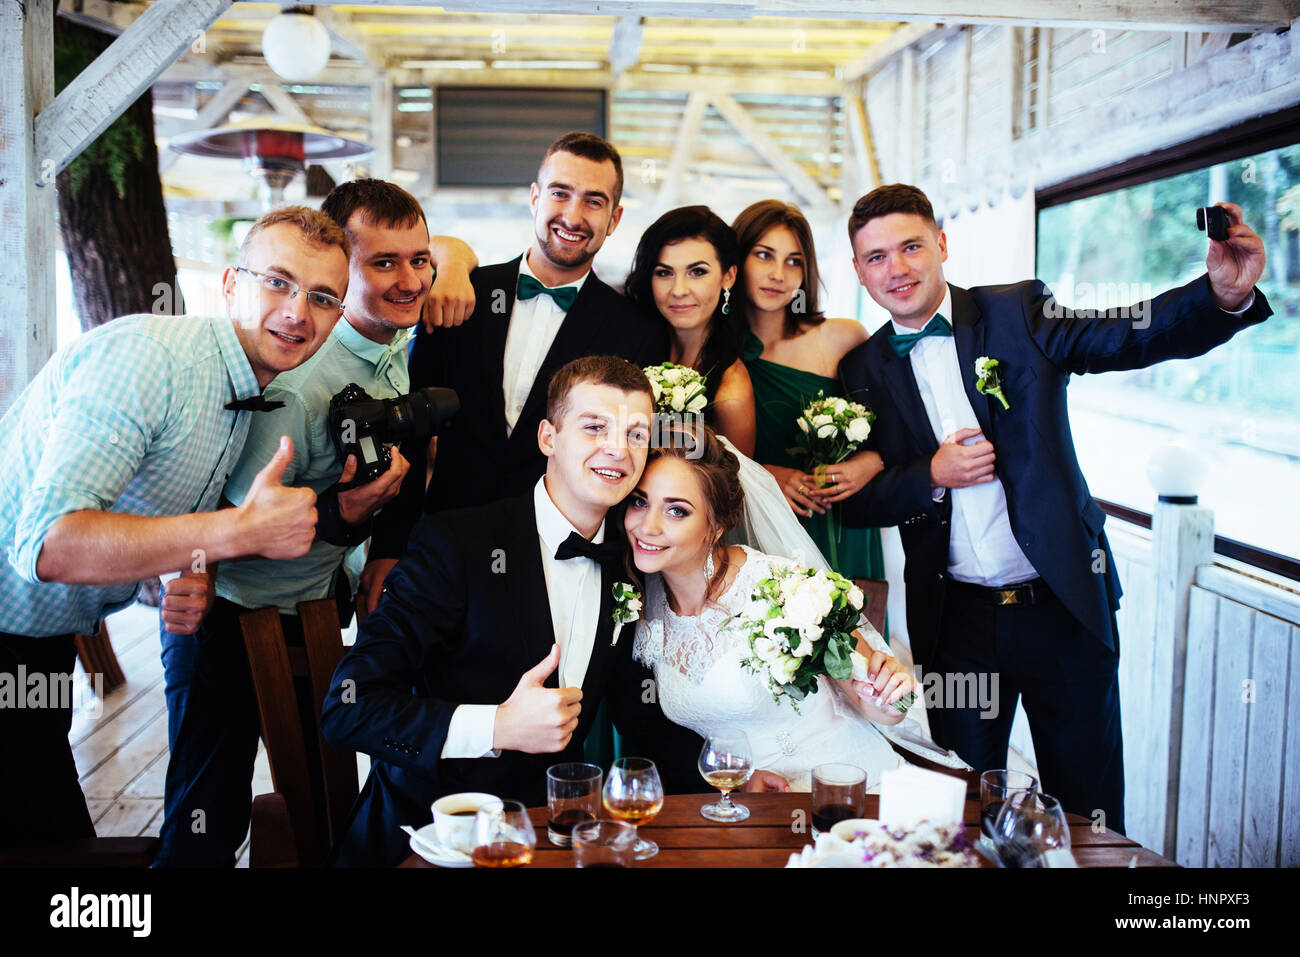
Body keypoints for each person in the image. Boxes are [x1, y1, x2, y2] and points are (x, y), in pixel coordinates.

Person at [838, 184, 1270, 833]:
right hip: (956, 623)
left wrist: (1219, 295)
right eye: (876, 257)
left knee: (1088, 804)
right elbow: (858, 498)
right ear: (858, 269)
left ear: (942, 245)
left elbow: (1118, 336)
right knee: (961, 803)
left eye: (910, 247)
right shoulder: (861, 370)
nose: (896, 269)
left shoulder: (1015, 311)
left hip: (1061, 602)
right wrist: (929, 475)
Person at [153, 181, 477, 867]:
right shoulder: (297, 377)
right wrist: (342, 515)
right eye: (383, 263)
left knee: (322, 797)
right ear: (340, 268)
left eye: (420, 260)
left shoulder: (397, 345)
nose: (410, 280)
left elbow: (448, 256)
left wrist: (455, 257)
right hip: (227, 617)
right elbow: (224, 517)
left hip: (315, 607)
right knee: (205, 819)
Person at [0, 205, 345, 850]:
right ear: (230, 284)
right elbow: (49, 544)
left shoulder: (238, 388)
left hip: (39, 642)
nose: (299, 311)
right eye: (278, 282)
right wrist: (238, 531)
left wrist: (174, 576)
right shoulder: (150, 359)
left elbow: (146, 517)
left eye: (323, 297)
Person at [320, 356, 703, 867]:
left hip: (550, 842)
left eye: (636, 433)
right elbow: (348, 708)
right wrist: (497, 726)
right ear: (548, 438)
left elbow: (641, 718)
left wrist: (728, 780)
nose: (618, 448)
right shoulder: (455, 544)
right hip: (428, 838)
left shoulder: (627, 564)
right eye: (594, 427)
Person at [362, 133, 669, 618]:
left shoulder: (637, 332)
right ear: (534, 197)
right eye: (560, 193)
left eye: (594, 201)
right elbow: (413, 434)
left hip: (560, 565)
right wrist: (388, 546)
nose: (573, 215)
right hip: (442, 547)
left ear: (614, 219)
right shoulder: (460, 294)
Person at [625, 423, 964, 791]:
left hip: (845, 790)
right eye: (640, 501)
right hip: (747, 806)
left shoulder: (783, 586)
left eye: (676, 511)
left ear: (716, 526)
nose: (648, 526)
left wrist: (889, 694)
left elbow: (875, 703)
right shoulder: (641, 605)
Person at [731, 200, 886, 586]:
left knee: (853, 620)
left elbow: (901, 424)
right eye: (764, 255)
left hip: (841, 522)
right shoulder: (718, 354)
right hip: (759, 525)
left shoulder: (841, 337)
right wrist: (763, 476)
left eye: (794, 261)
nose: (778, 274)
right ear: (736, 261)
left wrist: (870, 463)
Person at [624, 205, 756, 456]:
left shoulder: (730, 395)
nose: (679, 290)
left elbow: (736, 481)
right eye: (664, 273)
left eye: (697, 272)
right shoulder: (631, 347)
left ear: (728, 276)